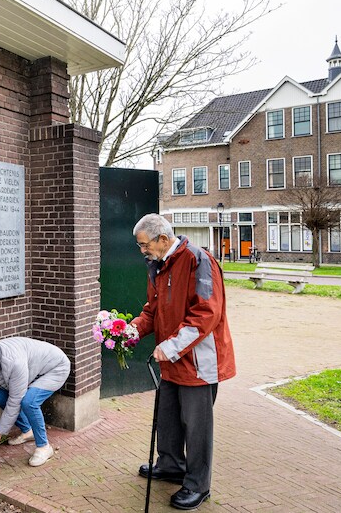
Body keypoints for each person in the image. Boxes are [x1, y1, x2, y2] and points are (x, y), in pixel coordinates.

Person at [130, 213, 236, 511]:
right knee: (167, 417)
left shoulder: (199, 261)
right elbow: (153, 309)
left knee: (196, 426)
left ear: (162, 239)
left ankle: (197, 485)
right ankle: (172, 464)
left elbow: (206, 312)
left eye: (144, 245)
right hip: (172, 359)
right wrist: (132, 330)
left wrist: (171, 346)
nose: (142, 251)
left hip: (199, 363)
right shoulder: (158, 266)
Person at [0, 337, 71, 467]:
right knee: (1, 397)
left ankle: (44, 447)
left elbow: (15, 401)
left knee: (29, 401)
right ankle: (28, 431)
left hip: (55, 368)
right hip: (33, 370)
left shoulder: (13, 363)